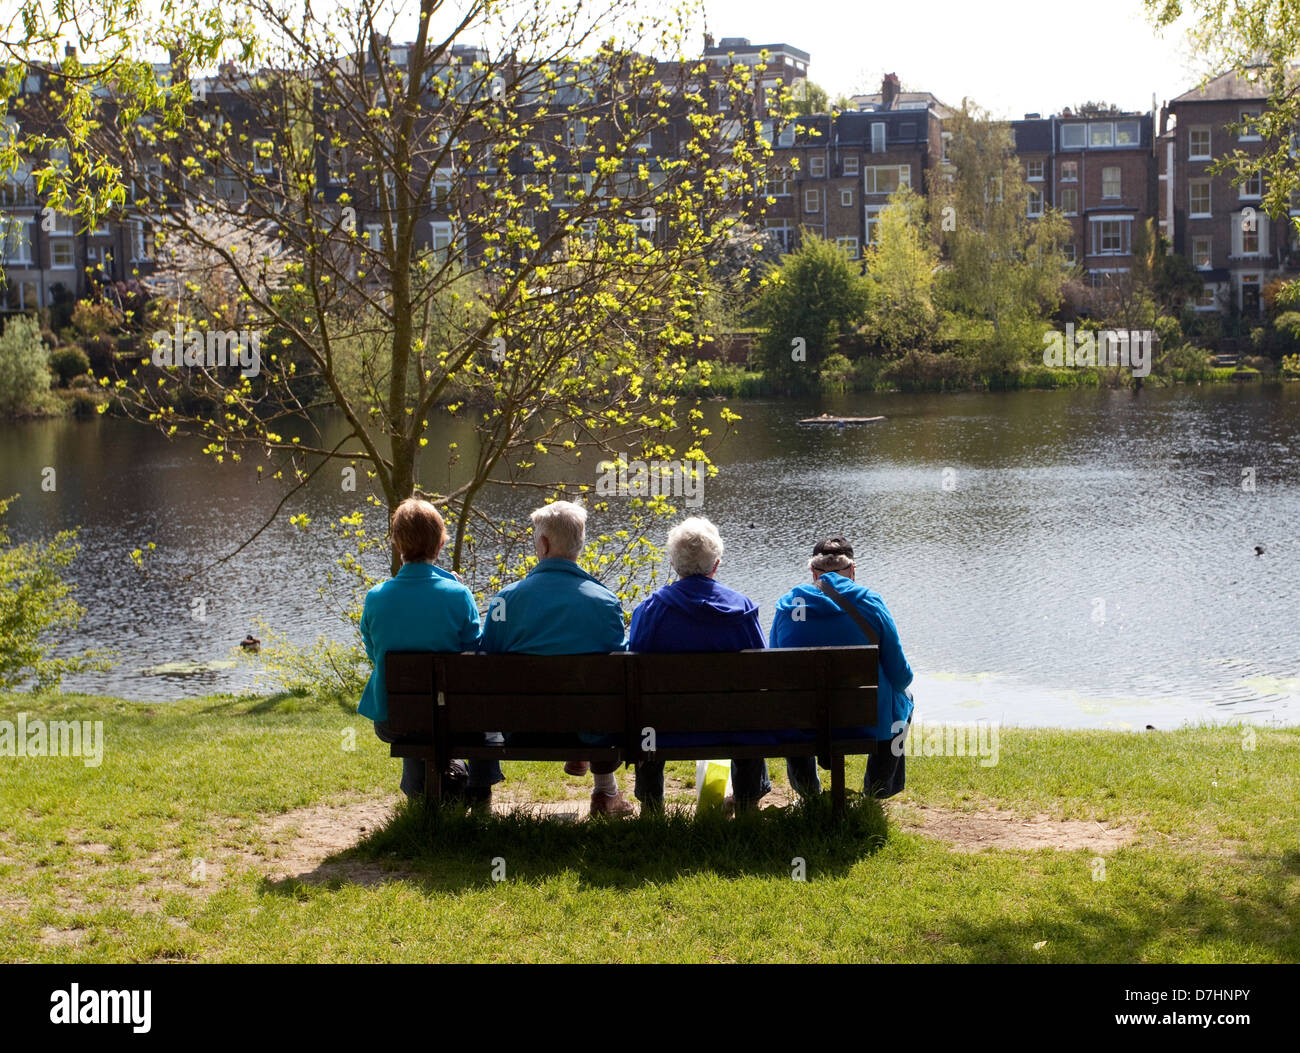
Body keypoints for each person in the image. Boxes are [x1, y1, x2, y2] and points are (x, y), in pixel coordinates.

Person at [473, 500, 634, 817]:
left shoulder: (505, 601)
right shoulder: (605, 602)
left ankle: (478, 801)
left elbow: (485, 659)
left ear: (543, 544)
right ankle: (605, 790)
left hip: (521, 728)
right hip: (591, 727)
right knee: (600, 705)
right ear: (580, 544)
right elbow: (619, 663)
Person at [628, 516, 792, 813]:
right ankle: (746, 802)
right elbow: (761, 672)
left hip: (663, 728)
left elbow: (634, 671)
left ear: (674, 564)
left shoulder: (651, 609)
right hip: (733, 726)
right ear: (715, 564)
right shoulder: (741, 607)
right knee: (749, 710)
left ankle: (652, 809)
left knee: (645, 712)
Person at [770, 536, 914, 798]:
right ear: (853, 570)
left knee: (789, 704)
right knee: (904, 699)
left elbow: (774, 672)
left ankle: (808, 792)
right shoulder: (871, 602)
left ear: (813, 572)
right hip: (865, 721)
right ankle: (877, 792)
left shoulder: (789, 605)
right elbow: (901, 676)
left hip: (805, 721)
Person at [360, 497, 482, 799]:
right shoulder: (458, 595)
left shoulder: (376, 598)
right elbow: (474, 653)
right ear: (440, 545)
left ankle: (419, 792)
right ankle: (452, 784)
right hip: (452, 716)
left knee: (414, 714)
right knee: (434, 712)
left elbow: (374, 653)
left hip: (394, 718)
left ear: (397, 543)